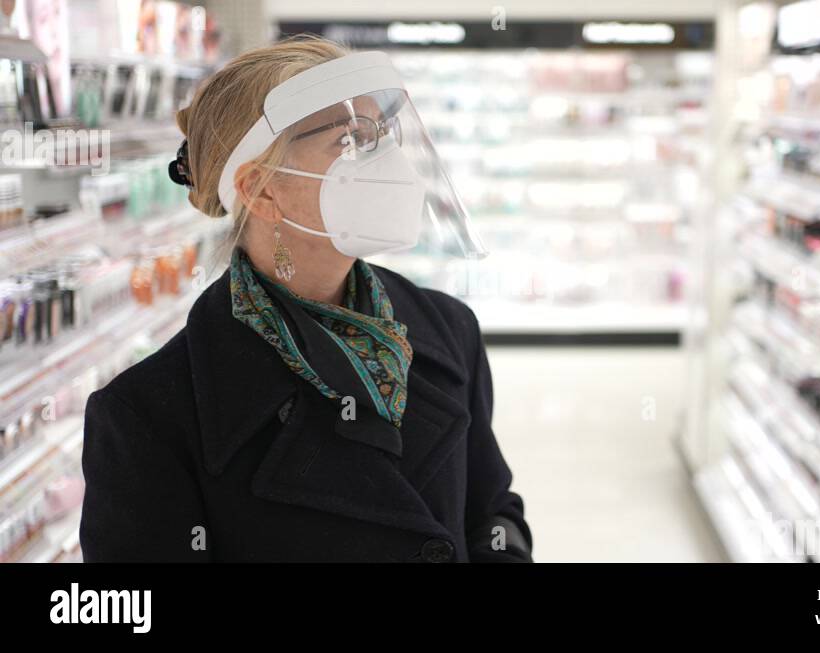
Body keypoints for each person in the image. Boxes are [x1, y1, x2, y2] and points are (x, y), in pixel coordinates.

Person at [79, 36, 532, 563]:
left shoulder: (446, 331)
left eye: (382, 133)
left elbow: (494, 512)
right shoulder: (150, 415)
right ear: (261, 190)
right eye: (352, 139)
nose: (384, 158)